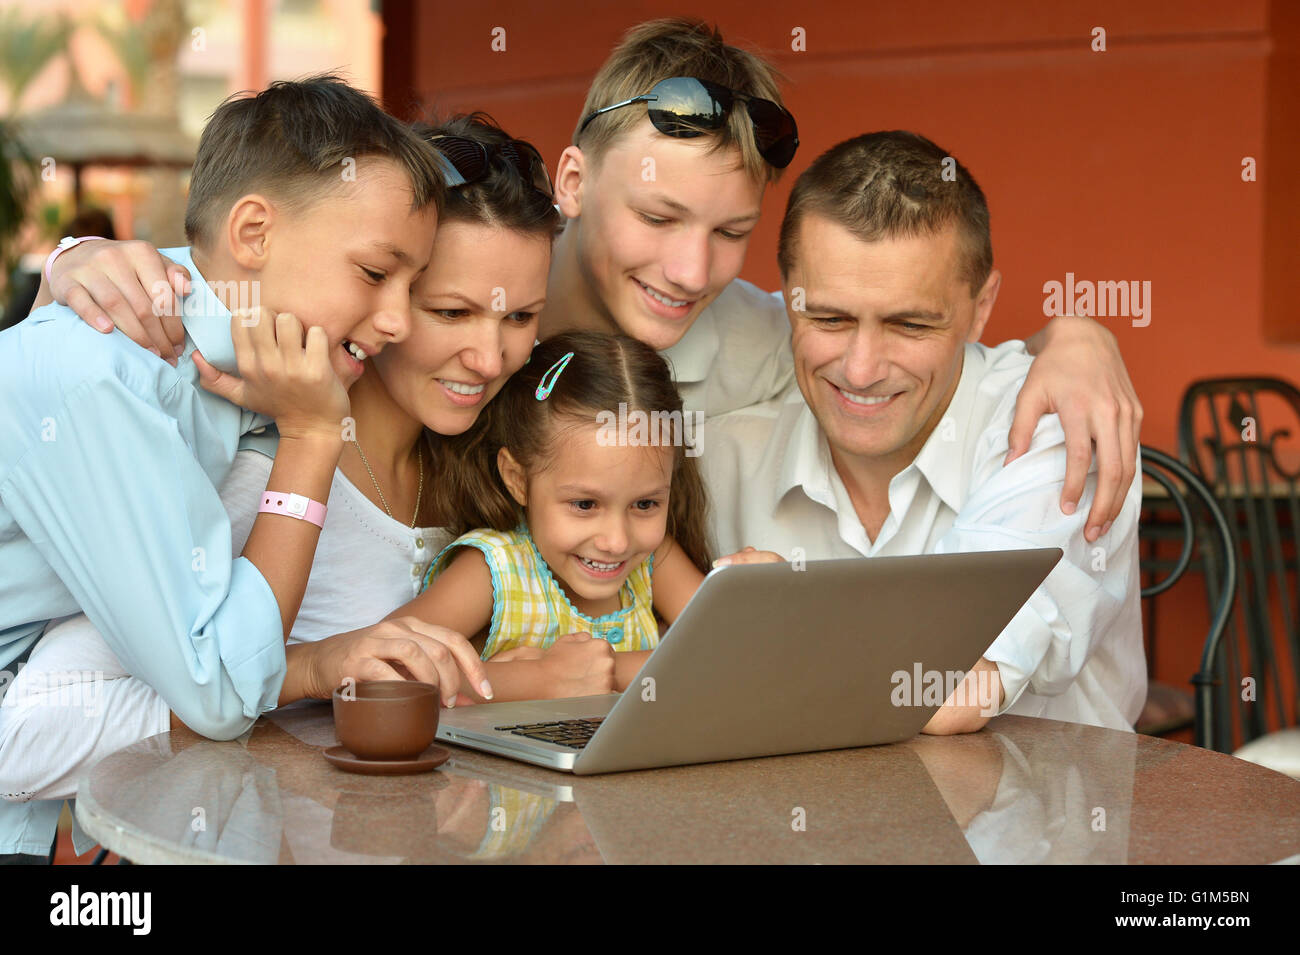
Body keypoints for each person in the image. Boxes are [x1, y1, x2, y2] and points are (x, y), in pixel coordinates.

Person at [41, 18, 1143, 545]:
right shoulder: (434, 265)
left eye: (729, 234)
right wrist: (75, 262)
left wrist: (1072, 338)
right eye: (658, 217)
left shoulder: (745, 339)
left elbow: (901, 347)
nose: (687, 270)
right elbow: (280, 265)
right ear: (572, 177)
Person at [0, 112, 553, 858]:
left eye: (522, 316)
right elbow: (46, 719)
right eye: (444, 308)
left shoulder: (490, 455)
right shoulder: (233, 448)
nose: (488, 355)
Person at [702, 131, 1146, 734]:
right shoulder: (722, 451)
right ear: (787, 296)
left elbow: (948, 689)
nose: (860, 369)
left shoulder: (1061, 426)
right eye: (829, 318)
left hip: (1030, 823)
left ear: (981, 306)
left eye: (909, 324)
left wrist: (792, 618)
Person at [400, 331, 713, 702]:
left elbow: (733, 651)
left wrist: (609, 670)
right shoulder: (496, 569)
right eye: (584, 505)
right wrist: (536, 680)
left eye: (645, 505)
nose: (617, 541)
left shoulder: (654, 562)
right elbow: (384, 668)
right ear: (518, 480)